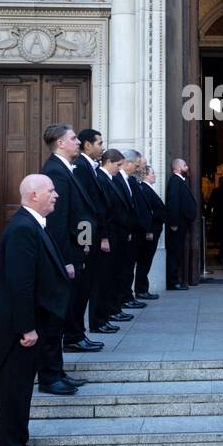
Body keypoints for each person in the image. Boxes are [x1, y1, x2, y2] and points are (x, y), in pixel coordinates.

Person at [0, 174, 69, 446]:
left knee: (21, 395)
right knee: (14, 396)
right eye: (50, 191)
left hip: (26, 330)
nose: (55, 195)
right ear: (32, 195)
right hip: (17, 333)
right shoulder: (22, 230)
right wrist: (27, 328)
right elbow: (20, 284)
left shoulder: (31, 226)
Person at [39, 124, 94, 392]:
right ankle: (50, 376)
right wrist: (66, 260)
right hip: (64, 255)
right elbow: (58, 221)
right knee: (54, 319)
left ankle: (57, 372)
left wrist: (84, 244)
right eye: (73, 139)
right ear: (61, 142)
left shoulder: (64, 169)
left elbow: (78, 212)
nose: (78, 143)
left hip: (72, 250)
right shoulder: (55, 171)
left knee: (60, 317)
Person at [69, 129, 109, 350]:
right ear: (87, 145)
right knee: (81, 290)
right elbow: (82, 209)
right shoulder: (81, 168)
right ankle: (75, 336)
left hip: (91, 237)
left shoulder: (88, 167)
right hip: (86, 240)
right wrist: (85, 242)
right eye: (99, 143)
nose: (102, 147)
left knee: (86, 289)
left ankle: (77, 334)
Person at [93, 148, 132, 333]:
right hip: (109, 235)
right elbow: (102, 212)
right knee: (104, 280)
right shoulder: (100, 178)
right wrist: (104, 237)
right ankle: (101, 318)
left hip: (118, 234)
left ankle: (110, 312)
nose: (119, 169)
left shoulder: (109, 178)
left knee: (114, 276)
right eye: (118, 165)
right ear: (108, 162)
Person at [117, 151, 149, 310]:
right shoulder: (117, 180)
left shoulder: (129, 180)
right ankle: (122, 300)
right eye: (137, 165)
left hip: (130, 233)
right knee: (123, 270)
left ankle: (124, 298)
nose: (138, 169)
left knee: (128, 269)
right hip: (119, 234)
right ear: (127, 163)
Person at [165, 157, 197, 291]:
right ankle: (173, 282)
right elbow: (173, 203)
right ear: (177, 168)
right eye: (185, 165)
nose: (187, 167)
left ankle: (175, 280)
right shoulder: (175, 181)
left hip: (181, 223)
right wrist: (173, 222)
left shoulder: (179, 181)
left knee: (178, 252)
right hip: (176, 224)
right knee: (175, 252)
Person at [136, 165, 166, 300]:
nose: (155, 175)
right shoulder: (144, 189)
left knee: (146, 262)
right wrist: (149, 230)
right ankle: (141, 290)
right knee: (144, 261)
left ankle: (142, 289)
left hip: (153, 230)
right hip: (150, 232)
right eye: (152, 173)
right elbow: (146, 213)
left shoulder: (148, 189)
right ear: (146, 175)